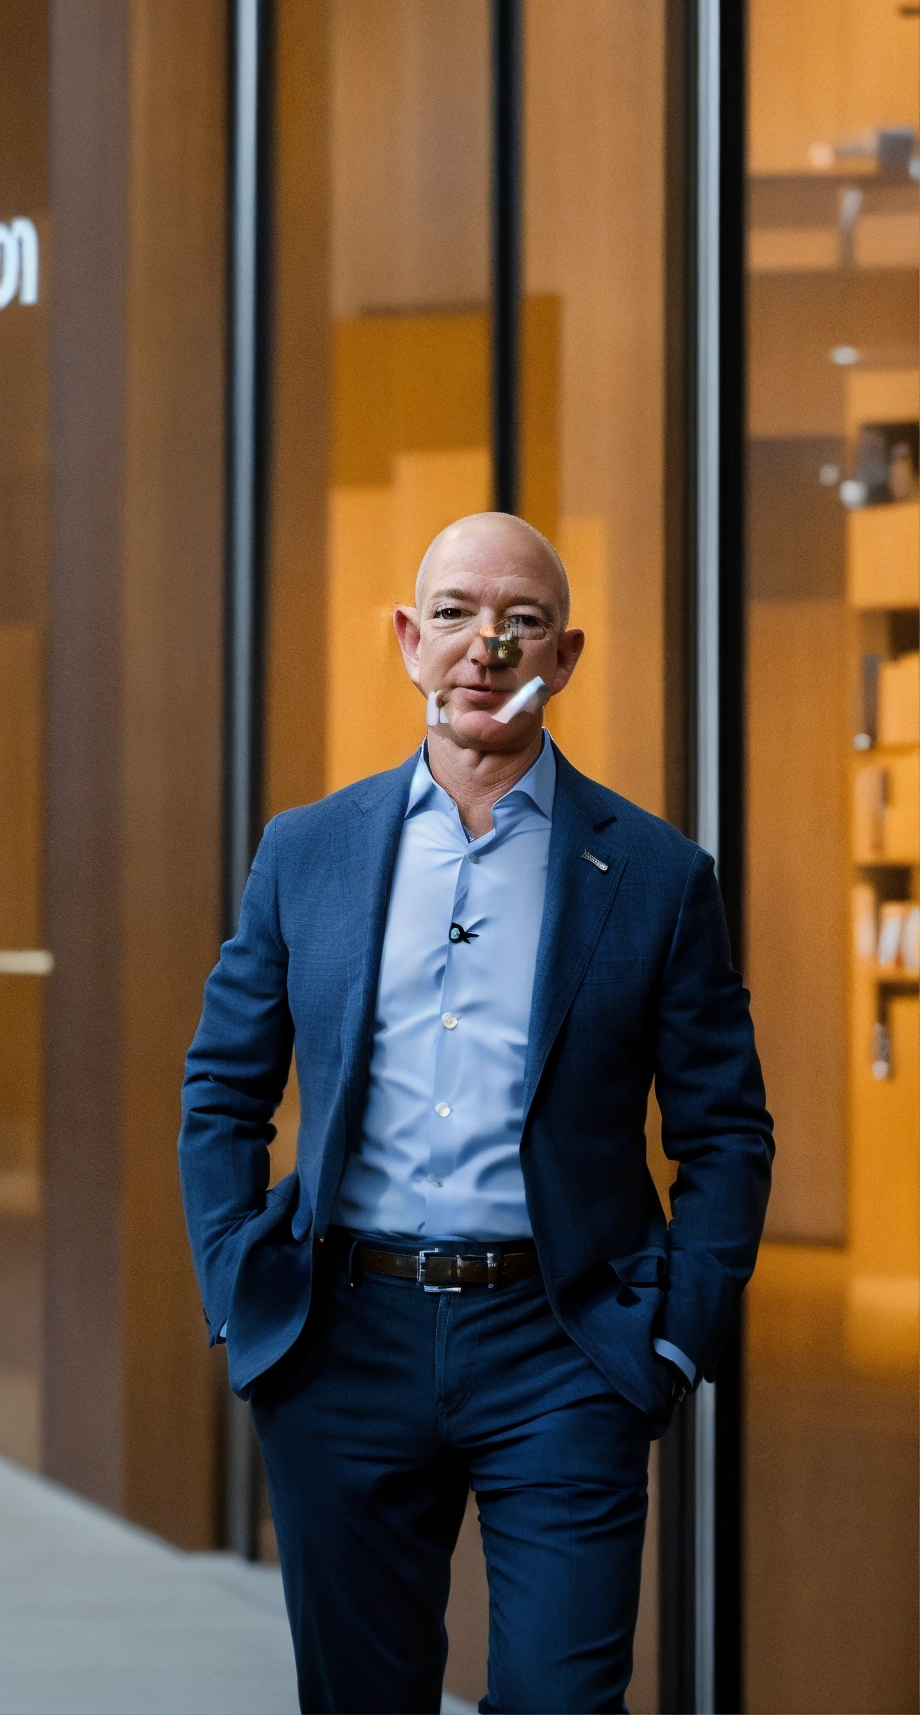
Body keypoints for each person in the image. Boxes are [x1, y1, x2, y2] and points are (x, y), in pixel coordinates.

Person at [179, 512, 771, 1714]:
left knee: (561, 1697)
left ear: (564, 656)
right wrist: (237, 1290)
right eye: (452, 614)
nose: (483, 646)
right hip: (340, 1342)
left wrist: (673, 1336)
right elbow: (222, 1090)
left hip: (563, 1347)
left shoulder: (657, 876)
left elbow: (724, 1130)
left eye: (521, 621)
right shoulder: (306, 851)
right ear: (409, 640)